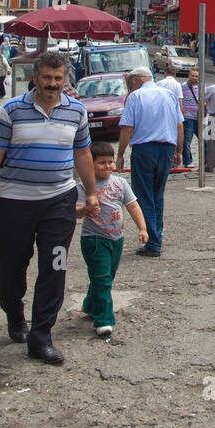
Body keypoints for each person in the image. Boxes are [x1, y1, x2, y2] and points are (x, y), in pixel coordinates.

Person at [0, 50, 98, 366]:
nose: (53, 84)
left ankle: (41, 336)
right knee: (11, 265)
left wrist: (92, 192)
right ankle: (14, 312)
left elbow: (83, 154)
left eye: (58, 79)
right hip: (15, 202)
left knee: (55, 266)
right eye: (47, 78)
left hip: (59, 202)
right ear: (35, 78)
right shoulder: (11, 111)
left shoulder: (77, 112)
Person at [76, 141, 148, 337]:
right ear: (90, 164)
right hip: (94, 240)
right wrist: (85, 209)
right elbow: (75, 211)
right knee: (102, 278)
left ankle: (91, 304)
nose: (107, 166)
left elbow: (133, 206)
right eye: (101, 163)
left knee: (107, 276)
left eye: (109, 162)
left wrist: (142, 228)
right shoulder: (84, 187)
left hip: (117, 238)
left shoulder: (120, 183)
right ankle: (104, 320)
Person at [116, 65, 183, 257]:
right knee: (157, 194)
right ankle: (156, 236)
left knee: (144, 195)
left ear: (137, 80)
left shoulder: (135, 97)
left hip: (144, 149)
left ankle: (153, 242)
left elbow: (127, 128)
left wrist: (120, 154)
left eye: (131, 82)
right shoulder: (169, 95)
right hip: (167, 148)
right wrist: (179, 151)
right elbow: (179, 125)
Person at [179, 69, 201, 167]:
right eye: (192, 75)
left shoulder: (202, 87)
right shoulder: (183, 87)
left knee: (205, 140)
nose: (194, 78)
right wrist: (181, 108)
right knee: (186, 141)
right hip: (188, 118)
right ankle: (188, 161)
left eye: (196, 76)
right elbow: (179, 98)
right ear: (189, 76)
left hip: (200, 118)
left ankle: (206, 160)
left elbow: (205, 98)